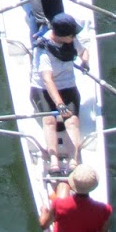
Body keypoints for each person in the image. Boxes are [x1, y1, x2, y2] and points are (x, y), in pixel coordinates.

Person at [29, 12, 89, 175]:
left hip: (68, 86)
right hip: (42, 89)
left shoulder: (71, 39)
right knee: (49, 121)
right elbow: (48, 80)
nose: (74, 36)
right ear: (62, 36)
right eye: (72, 34)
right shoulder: (43, 49)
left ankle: (73, 160)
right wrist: (60, 105)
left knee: (72, 122)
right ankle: (53, 160)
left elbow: (84, 51)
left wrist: (85, 62)